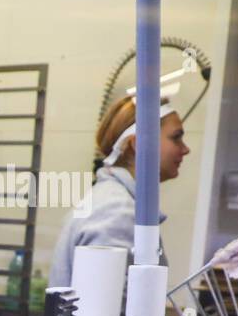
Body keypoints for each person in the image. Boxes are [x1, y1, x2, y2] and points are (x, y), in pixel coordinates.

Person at [48, 95, 189, 287]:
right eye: (176, 137)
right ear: (139, 144)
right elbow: (106, 311)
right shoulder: (117, 212)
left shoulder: (111, 200)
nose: (185, 149)